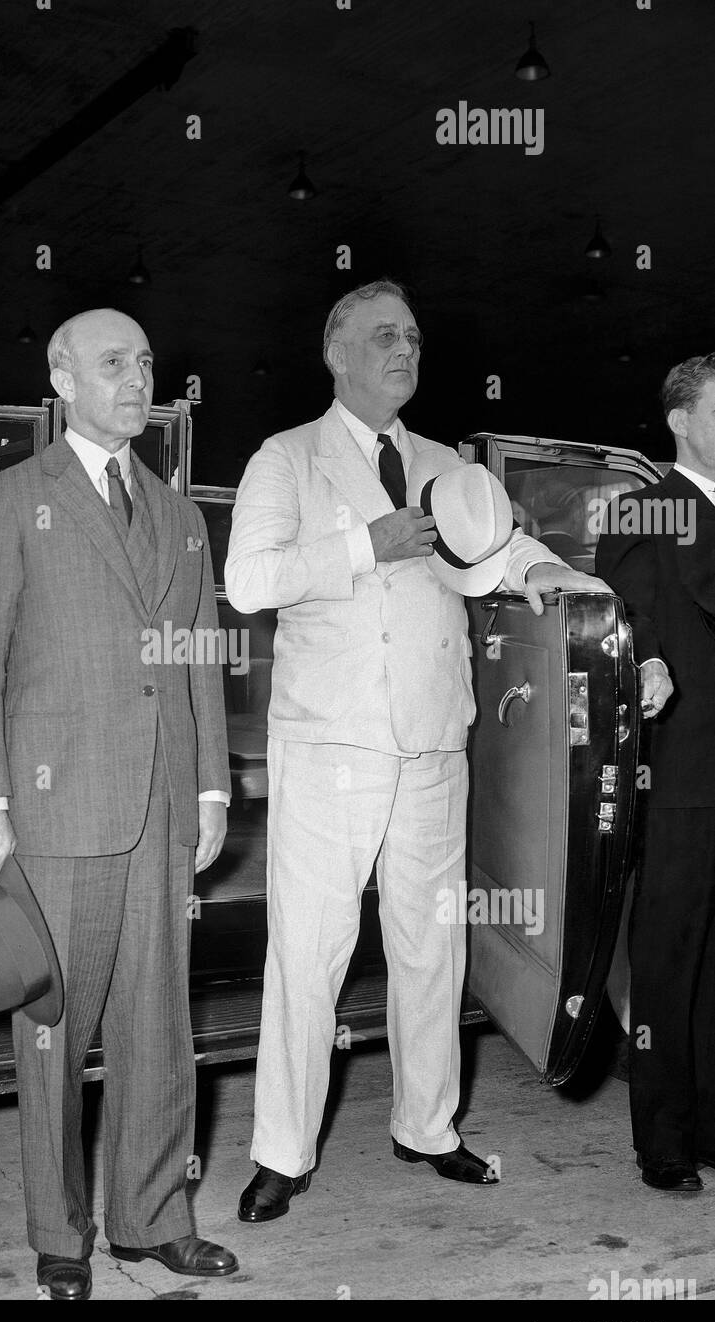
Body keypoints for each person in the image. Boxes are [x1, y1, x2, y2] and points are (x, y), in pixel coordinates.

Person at [225, 279, 612, 1222]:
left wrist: (557, 577)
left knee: (430, 947)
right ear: (335, 352)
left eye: (413, 339)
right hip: (331, 745)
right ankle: (282, 1150)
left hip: (436, 744)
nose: (404, 350)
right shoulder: (287, 458)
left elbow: (506, 552)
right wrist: (367, 545)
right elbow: (247, 583)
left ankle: (426, 1126)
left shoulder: (447, 461)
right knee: (308, 952)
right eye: (383, 336)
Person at [0, 308, 237, 1300]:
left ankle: (153, 1221)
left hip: (159, 802)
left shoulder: (181, 513)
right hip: (49, 807)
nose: (136, 378)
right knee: (51, 1032)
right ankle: (59, 1237)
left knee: (161, 1024)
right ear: (61, 378)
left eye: (147, 361)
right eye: (114, 362)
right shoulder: (5, 501)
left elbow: (198, 660)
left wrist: (208, 789)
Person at [596, 355, 715, 1194]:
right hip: (681, 772)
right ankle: (665, 1141)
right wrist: (652, 660)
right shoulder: (648, 509)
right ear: (679, 418)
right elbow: (628, 618)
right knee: (669, 955)